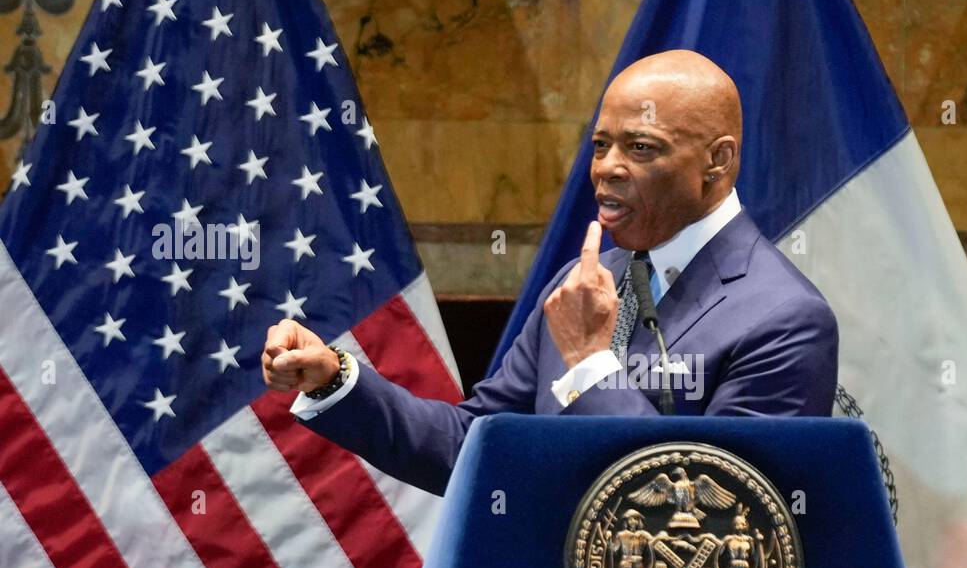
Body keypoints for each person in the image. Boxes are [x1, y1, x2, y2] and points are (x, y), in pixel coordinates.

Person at [261, 50, 838, 494]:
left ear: (718, 160)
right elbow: (477, 447)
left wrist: (590, 364)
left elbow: (709, 515)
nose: (607, 168)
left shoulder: (784, 318)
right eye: (601, 145)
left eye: (640, 148)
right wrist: (336, 377)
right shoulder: (583, 286)